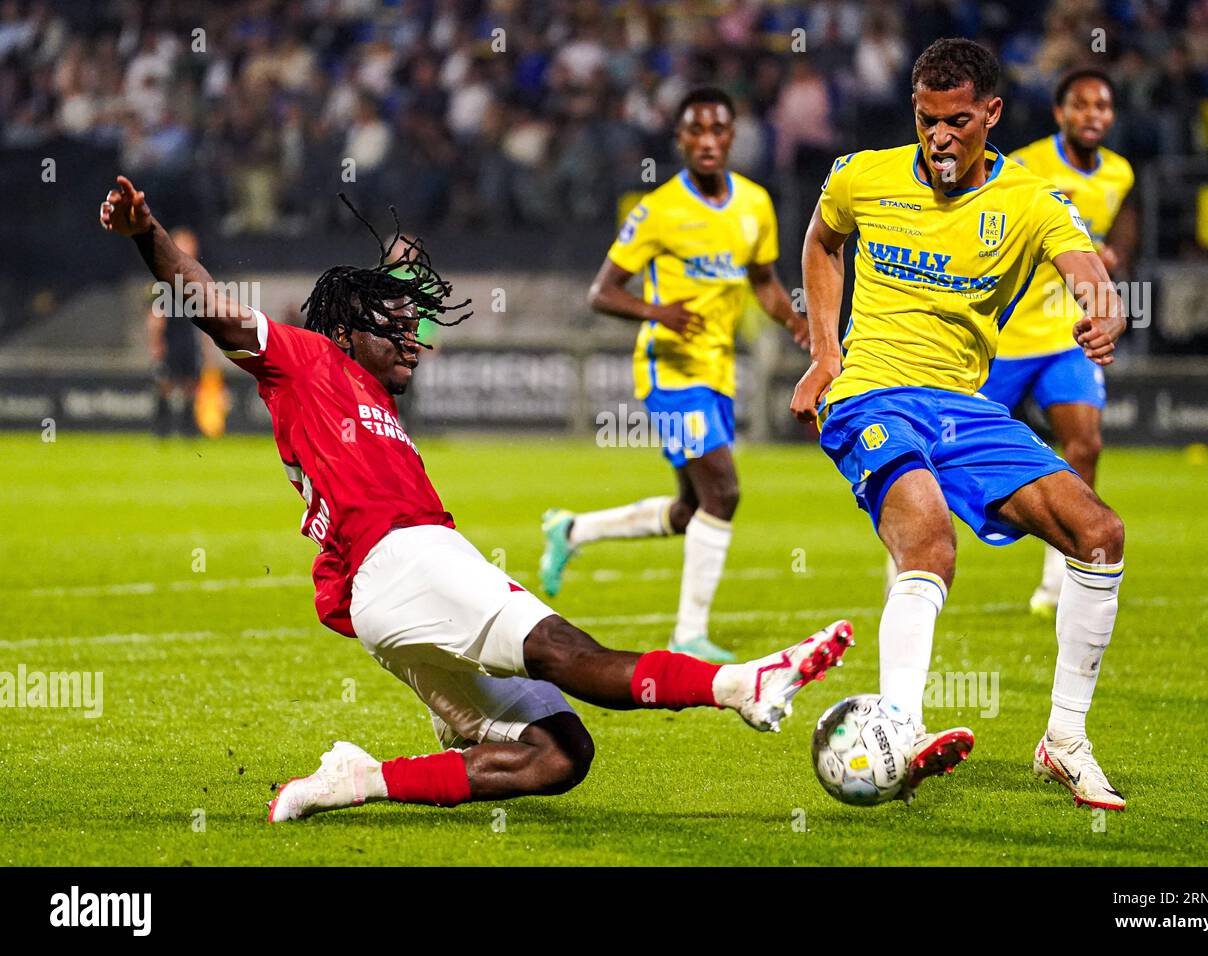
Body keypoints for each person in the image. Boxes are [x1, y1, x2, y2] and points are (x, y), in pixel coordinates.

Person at [99, 175, 852, 823]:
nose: (412, 342)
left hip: (392, 591)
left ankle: (357, 780)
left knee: (559, 756)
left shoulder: (380, 410)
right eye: (393, 329)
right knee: (567, 652)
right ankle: (742, 685)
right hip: (404, 560)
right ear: (346, 330)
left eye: (414, 330)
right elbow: (211, 305)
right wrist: (149, 233)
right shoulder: (307, 359)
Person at [792, 39, 1129, 810]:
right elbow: (820, 240)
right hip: (871, 394)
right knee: (929, 540)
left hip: (966, 409)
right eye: (926, 120)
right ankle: (900, 729)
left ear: (992, 114)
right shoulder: (862, 175)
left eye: (957, 121)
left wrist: (1101, 314)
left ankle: (1065, 741)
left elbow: (1090, 274)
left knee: (1100, 533)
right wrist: (824, 351)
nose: (940, 137)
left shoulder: (1033, 200)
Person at [539, 88, 810, 664]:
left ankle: (572, 532)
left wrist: (793, 318)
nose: (707, 141)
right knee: (726, 492)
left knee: (692, 509)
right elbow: (602, 292)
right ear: (681, 139)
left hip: (716, 370)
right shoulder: (658, 210)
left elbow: (762, 277)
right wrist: (658, 312)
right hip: (669, 371)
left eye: (718, 131)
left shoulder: (754, 204)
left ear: (732, 137)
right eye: (695, 131)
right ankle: (688, 633)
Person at [980, 68, 1137, 615]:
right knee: (936, 450)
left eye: (1103, 105)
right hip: (1005, 337)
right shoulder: (1023, 166)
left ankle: (1058, 581)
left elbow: (1104, 241)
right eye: (1082, 105)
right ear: (1060, 113)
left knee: (1086, 446)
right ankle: (908, 565)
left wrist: (1105, 258)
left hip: (1064, 334)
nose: (1094, 114)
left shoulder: (1120, 174)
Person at [146, 226, 202, 437]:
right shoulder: (164, 277)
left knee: (191, 383)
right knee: (165, 383)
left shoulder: (197, 280)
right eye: (185, 245)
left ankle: (189, 428)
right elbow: (155, 315)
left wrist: (206, 344)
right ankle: (162, 427)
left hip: (188, 337)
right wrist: (156, 342)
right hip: (170, 337)